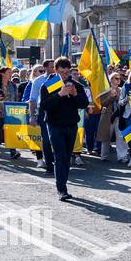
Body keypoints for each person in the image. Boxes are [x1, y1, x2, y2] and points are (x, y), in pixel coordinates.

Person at [39, 57, 88, 202]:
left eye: (67, 73)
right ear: (56, 70)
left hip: (71, 125)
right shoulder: (48, 85)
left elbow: (84, 103)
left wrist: (74, 95)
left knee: (66, 157)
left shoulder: (76, 85)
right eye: (62, 72)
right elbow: (44, 105)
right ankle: (62, 189)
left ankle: (63, 184)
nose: (65, 75)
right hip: (55, 125)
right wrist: (60, 94)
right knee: (60, 157)